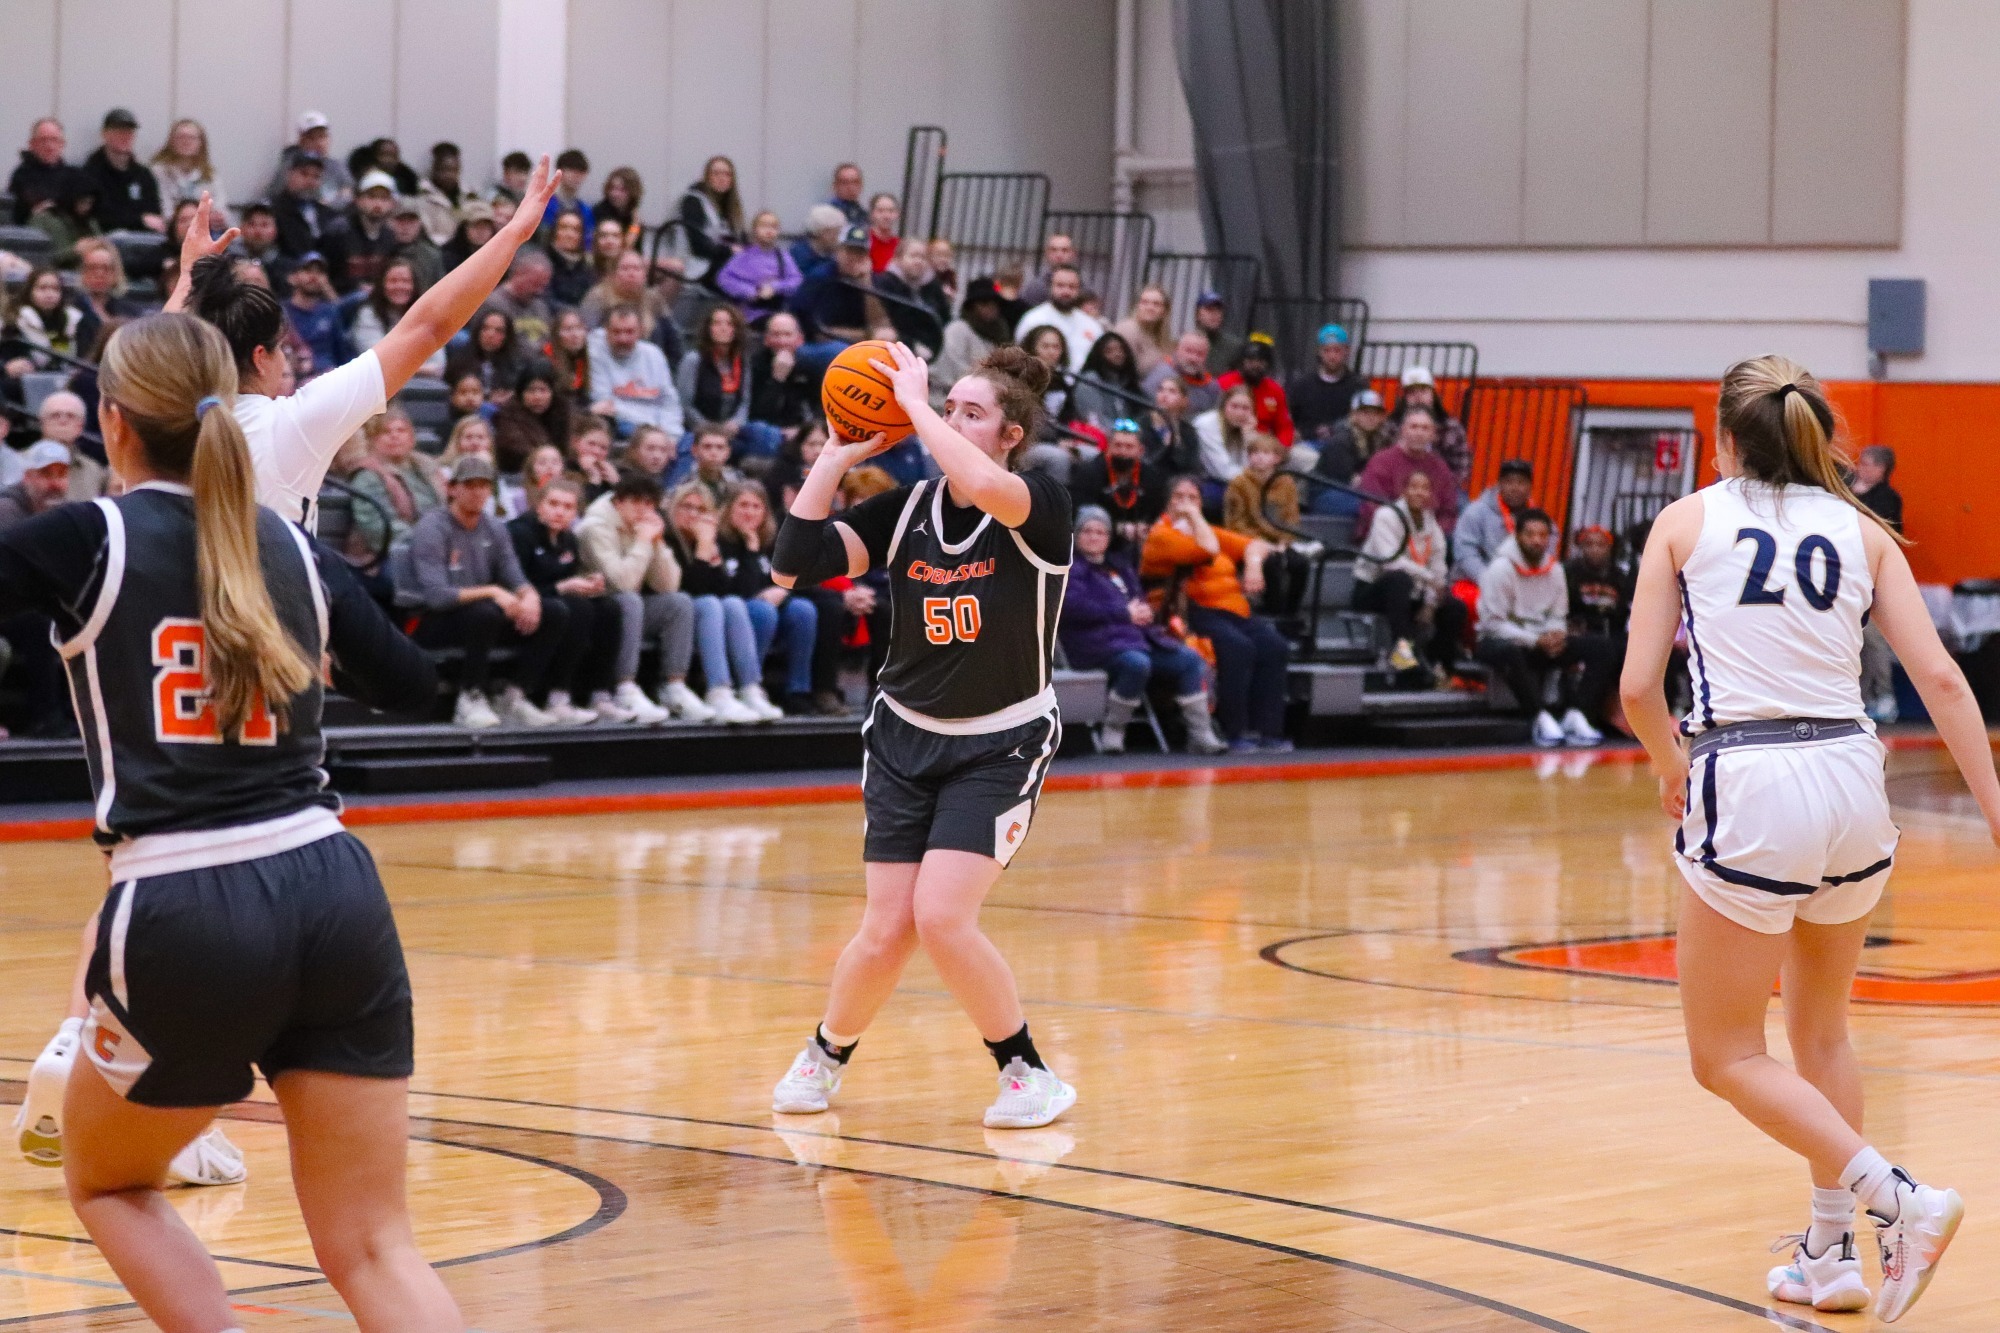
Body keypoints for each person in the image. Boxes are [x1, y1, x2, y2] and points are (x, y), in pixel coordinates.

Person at [0, 312, 458, 1330]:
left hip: (184, 899)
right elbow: (422, 685)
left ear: (112, 426)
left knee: (110, 1185)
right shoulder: (293, 547)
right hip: (335, 887)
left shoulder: (83, 540)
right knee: (376, 1244)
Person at [1619, 355, 1995, 1324]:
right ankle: (1829, 1255)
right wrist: (1993, 803)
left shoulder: (1683, 520)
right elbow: (1944, 682)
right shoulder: (1861, 527)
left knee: (1723, 1054)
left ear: (1721, 435)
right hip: (1851, 779)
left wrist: (1668, 764)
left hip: (1747, 779)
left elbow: (1631, 689)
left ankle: (1897, 1201)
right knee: (1819, 1029)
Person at [767, 342, 1078, 1129]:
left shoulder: (1038, 503)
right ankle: (825, 1053)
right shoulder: (906, 510)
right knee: (886, 929)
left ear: (1010, 434)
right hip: (903, 738)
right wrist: (834, 456)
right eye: (949, 409)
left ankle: (1028, 1073)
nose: (949, 421)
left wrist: (909, 407)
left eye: (970, 412)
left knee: (942, 915)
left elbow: (977, 483)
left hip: (1001, 741)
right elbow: (790, 563)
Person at [402, 455, 570, 729]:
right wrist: (492, 591)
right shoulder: (432, 528)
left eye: (483, 485)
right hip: (429, 621)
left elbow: (513, 574)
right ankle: (470, 697)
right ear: (452, 489)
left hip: (479, 617)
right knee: (485, 612)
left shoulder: (494, 527)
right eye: (470, 485)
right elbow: (437, 597)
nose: (477, 491)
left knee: (555, 611)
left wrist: (530, 597)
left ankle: (515, 695)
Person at [1142, 476, 1289, 751]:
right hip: (1188, 610)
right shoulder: (1162, 534)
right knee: (1237, 648)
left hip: (1233, 609)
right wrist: (1196, 518)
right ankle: (1233, 732)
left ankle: (1269, 731)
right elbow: (1207, 549)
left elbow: (1256, 545)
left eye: (1193, 498)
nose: (1186, 504)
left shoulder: (1206, 529)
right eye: (1179, 497)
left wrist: (1254, 565)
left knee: (1274, 646)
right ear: (1167, 502)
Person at [1061, 505, 1222, 755]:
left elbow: (1139, 601)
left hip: (1135, 640)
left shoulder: (1121, 568)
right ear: (1075, 535)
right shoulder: (1069, 569)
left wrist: (1145, 612)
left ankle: (1201, 735)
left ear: (1108, 537)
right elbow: (1072, 608)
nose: (1094, 537)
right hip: (1093, 645)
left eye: (1100, 532)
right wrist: (1125, 614)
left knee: (1190, 659)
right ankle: (1113, 732)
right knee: (1136, 664)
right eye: (1087, 531)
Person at [575, 471, 710, 724]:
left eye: (649, 504)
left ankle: (674, 686)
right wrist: (644, 540)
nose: (644, 511)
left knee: (679, 603)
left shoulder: (644, 528)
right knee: (629, 600)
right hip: (596, 611)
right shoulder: (594, 527)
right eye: (637, 502)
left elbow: (669, 585)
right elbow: (621, 583)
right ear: (619, 501)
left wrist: (656, 543)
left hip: (628, 610)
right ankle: (625, 687)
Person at [1475, 508, 1612, 747]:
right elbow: (1493, 624)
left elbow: (1558, 614)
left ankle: (1577, 714)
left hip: (1542, 640)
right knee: (1508, 651)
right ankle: (1538, 717)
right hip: (1499, 641)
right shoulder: (1500, 569)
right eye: (1530, 534)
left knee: (1602, 647)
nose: (1537, 540)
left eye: (1543, 535)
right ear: (1517, 536)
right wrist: (1534, 640)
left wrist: (1556, 633)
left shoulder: (1555, 569)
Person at [663, 481, 778, 724]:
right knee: (711, 604)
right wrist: (705, 548)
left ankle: (749, 688)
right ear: (673, 508)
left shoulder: (708, 539)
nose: (693, 514)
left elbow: (724, 589)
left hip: (703, 611)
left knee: (732, 604)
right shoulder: (665, 536)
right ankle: (719, 691)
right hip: (674, 612)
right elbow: (688, 589)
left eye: (701, 510)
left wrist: (712, 549)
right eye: (686, 507)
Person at [500, 478, 608, 726]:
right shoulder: (519, 534)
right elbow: (512, 586)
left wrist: (588, 584)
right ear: (539, 505)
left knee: (607, 608)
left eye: (568, 507)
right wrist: (562, 587)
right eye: (553, 504)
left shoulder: (568, 540)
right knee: (565, 609)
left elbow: (564, 581)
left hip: (551, 609)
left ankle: (592, 694)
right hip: (513, 610)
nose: (560, 511)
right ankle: (517, 694)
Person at [1354, 470, 1463, 678]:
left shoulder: (1432, 523)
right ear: (1403, 490)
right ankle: (1404, 660)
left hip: (1416, 592)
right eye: (1413, 487)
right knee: (1399, 579)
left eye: (1425, 488)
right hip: (1373, 589)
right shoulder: (1387, 515)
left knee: (1456, 608)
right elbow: (1390, 561)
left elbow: (1439, 566)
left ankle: (1435, 662)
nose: (1419, 492)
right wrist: (1429, 579)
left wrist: (1430, 604)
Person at [1222, 433, 1311, 619]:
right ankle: (1273, 612)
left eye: (1265, 452)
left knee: (1301, 564)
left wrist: (1283, 542)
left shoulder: (1287, 483)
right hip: (1249, 543)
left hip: (1279, 541)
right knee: (1271, 563)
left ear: (1277, 458)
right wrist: (1262, 542)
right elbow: (1235, 523)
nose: (1259, 456)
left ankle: (1291, 613)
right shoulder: (1239, 483)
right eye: (1254, 453)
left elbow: (1291, 519)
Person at [1849, 446, 1903, 722]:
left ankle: (1884, 696)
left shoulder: (1887, 498)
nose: (1862, 468)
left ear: (1882, 469)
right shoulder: (1846, 489)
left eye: (1869, 464)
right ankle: (1861, 697)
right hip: (1846, 576)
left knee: (1873, 640)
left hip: (1873, 578)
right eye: (1861, 463)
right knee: (1852, 641)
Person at [345, 407, 444, 554]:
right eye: (386, 432)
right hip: (388, 556)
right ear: (374, 440)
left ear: (411, 438)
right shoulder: (367, 475)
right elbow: (377, 527)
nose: (394, 436)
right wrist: (426, 539)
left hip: (434, 547)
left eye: (401, 431)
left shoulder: (427, 470)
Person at [1355, 410, 1463, 534]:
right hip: (1387, 534)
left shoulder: (1440, 467)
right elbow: (1372, 508)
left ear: (1433, 435)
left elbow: (1449, 511)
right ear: (1403, 431)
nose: (1419, 433)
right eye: (1414, 427)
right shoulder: (1381, 461)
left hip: (1429, 537)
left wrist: (1431, 533)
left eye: (1425, 428)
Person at [1070, 419, 1167, 551]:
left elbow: (1159, 512)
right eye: (1118, 445)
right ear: (1108, 447)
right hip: (1099, 541)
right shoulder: (1089, 473)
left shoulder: (1152, 477)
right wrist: (1119, 528)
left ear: (1140, 450)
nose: (1123, 452)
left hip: (1141, 543)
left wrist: (1146, 528)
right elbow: (1079, 511)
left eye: (1129, 447)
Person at [589, 304, 681, 440]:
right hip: (622, 426)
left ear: (640, 331)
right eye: (617, 332)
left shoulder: (654, 354)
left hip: (660, 428)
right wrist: (652, 430)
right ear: (606, 331)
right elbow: (603, 403)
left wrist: (671, 436)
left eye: (629, 332)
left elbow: (669, 402)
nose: (623, 339)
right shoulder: (594, 353)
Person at [348, 259, 444, 379]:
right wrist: (421, 369)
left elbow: (438, 367)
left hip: (423, 386)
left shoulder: (426, 315)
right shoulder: (368, 315)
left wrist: (402, 368)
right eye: (393, 281)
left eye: (406, 281)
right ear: (382, 284)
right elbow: (378, 362)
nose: (399, 286)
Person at [79, 109, 163, 235]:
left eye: (129, 132)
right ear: (104, 134)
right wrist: (139, 219)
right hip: (104, 240)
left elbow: (154, 214)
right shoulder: (89, 174)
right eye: (119, 132)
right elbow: (96, 215)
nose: (125, 136)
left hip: (143, 241)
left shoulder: (143, 175)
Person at [1453, 458, 1536, 586]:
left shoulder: (1538, 520)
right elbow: (1465, 552)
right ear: (1499, 484)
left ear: (1530, 487)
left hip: (1522, 584)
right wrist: (1488, 580)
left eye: (1521, 483)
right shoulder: (1476, 512)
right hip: (1476, 581)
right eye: (1509, 482)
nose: (1515, 488)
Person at [1013, 265, 1101, 375]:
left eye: (1072, 286)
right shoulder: (1033, 319)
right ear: (1050, 287)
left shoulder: (1092, 325)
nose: (1066, 291)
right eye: (1060, 285)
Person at [717, 209, 803, 320]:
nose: (769, 231)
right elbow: (723, 278)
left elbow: (796, 279)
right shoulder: (744, 256)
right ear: (754, 230)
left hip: (777, 310)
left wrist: (775, 287)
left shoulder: (783, 256)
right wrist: (751, 291)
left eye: (773, 227)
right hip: (751, 314)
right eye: (764, 226)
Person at [281, 253, 360, 373]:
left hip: (329, 377)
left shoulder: (330, 312)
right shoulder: (281, 312)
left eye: (320, 272)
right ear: (292, 277)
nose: (314, 277)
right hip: (295, 376)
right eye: (307, 271)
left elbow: (342, 353)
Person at [1393, 366, 1471, 487]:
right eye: (1412, 393)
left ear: (1433, 394)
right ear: (1405, 398)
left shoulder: (1451, 427)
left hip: (1442, 486)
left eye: (1423, 391)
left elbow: (1462, 467)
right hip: (1398, 486)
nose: (1418, 397)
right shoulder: (1391, 426)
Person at [1287, 324, 1367, 442]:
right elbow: (1288, 418)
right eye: (1327, 350)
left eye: (1337, 350)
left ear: (1347, 351)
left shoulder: (1358, 385)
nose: (1332, 356)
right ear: (1319, 352)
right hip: (1306, 445)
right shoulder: (1301, 384)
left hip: (1343, 444)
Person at [932, 276, 1009, 398]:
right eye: (984, 303)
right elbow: (953, 368)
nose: (991, 307)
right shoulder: (958, 329)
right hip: (946, 398)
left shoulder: (999, 333)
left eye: (995, 303)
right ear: (972, 306)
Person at [747, 312, 815, 445]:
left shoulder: (810, 365)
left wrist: (801, 429)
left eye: (787, 335)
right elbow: (756, 414)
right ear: (766, 340)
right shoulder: (754, 365)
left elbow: (816, 407)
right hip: (764, 431)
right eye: (776, 335)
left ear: (800, 339)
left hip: (799, 430)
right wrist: (777, 379)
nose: (782, 341)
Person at [1216, 334, 1294, 446]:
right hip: (1230, 438)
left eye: (1261, 362)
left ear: (1268, 364)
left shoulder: (1275, 390)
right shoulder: (1225, 382)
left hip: (1265, 444)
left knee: (1308, 458)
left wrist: (1281, 449)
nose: (1255, 365)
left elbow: (1284, 427)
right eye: (1251, 361)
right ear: (1242, 362)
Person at [267, 111, 356, 208]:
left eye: (322, 137)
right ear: (301, 140)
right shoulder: (289, 165)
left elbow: (349, 192)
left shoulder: (336, 166)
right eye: (312, 138)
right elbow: (274, 196)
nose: (319, 143)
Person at [678, 155, 745, 283]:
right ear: (707, 177)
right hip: (698, 266)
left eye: (727, 174)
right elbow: (698, 245)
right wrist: (730, 250)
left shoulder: (731, 208)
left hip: (723, 262)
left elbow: (741, 239)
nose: (722, 178)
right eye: (716, 173)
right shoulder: (693, 201)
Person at [491, 362, 567, 473]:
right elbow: (516, 450)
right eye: (531, 390)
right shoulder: (508, 417)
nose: (537, 397)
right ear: (521, 393)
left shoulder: (562, 412)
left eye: (543, 390)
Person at [37, 392, 108, 500]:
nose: (63, 421)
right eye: (55, 415)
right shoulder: (22, 464)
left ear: (81, 425)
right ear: (42, 423)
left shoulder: (94, 471)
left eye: (71, 416)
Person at [1068, 332, 1145, 429]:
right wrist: (1125, 431)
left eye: (1121, 350)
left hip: (1126, 439)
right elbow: (1095, 422)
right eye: (1109, 351)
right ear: (1099, 355)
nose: (1117, 354)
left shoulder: (1126, 380)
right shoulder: (1089, 381)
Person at [29, 169, 104, 269]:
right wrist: (74, 252)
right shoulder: (44, 220)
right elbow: (36, 258)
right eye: (82, 202)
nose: (86, 207)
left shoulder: (90, 223)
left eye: (89, 203)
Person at [486, 247, 556, 353]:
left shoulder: (540, 306)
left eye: (543, 286)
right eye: (535, 284)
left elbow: (548, 341)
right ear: (518, 274)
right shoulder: (494, 304)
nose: (539, 291)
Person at [446, 307, 522, 404]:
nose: (490, 334)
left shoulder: (516, 364)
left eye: (498, 330)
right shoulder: (459, 361)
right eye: (485, 328)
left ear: (507, 336)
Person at [1142, 329, 1219, 417]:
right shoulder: (1161, 373)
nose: (1193, 358)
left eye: (1200, 354)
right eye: (1188, 351)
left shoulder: (1212, 387)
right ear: (1177, 350)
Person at [1193, 383, 1259, 484]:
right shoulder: (1207, 424)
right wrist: (1256, 479)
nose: (1239, 413)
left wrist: (1247, 437)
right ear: (1224, 406)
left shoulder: (1244, 429)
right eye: (1234, 406)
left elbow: (1249, 465)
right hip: (1203, 479)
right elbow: (1223, 471)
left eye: (1245, 408)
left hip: (1232, 480)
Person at [9, 117, 70, 224]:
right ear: (32, 144)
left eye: (54, 140)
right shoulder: (22, 176)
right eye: (43, 140)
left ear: (62, 144)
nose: (49, 146)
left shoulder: (73, 176)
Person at [1112, 285, 1173, 379]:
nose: (1150, 308)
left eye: (1156, 304)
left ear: (1164, 311)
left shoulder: (1161, 338)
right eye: (1144, 302)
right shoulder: (1128, 329)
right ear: (1138, 306)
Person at [387, 196, 444, 291]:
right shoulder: (381, 250)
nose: (405, 227)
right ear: (390, 222)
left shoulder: (432, 255)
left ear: (420, 223)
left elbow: (440, 289)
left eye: (411, 221)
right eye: (400, 220)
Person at [544, 210, 594, 308]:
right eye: (564, 228)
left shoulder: (587, 268)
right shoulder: (543, 262)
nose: (569, 234)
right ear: (554, 231)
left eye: (576, 230)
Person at [541, 148, 595, 233]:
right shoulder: (545, 205)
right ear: (559, 171)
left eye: (581, 172)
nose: (576, 176)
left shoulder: (585, 210)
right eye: (572, 171)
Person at [1018, 233, 1077, 308]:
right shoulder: (1035, 288)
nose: (1059, 255)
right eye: (1054, 250)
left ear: (1073, 253)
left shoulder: (1084, 287)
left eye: (1064, 250)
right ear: (1047, 253)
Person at [791, 202, 848, 277]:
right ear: (820, 232)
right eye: (835, 232)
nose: (837, 237)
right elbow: (804, 279)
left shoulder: (833, 252)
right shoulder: (799, 252)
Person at [1193, 291, 1242, 374]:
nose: (1214, 314)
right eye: (1209, 309)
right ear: (1198, 314)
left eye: (1218, 310)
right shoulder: (1188, 343)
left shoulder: (1234, 347)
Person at [595, 165, 644, 238]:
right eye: (612, 188)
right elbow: (624, 245)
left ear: (632, 192)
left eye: (622, 190)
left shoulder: (631, 212)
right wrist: (635, 225)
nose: (615, 194)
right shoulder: (600, 212)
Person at [864, 193, 901, 273]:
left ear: (897, 214)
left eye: (891, 211)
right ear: (872, 214)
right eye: (880, 211)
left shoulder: (900, 246)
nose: (886, 216)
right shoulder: (863, 241)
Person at [828, 162, 867, 227]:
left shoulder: (863, 214)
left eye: (855, 182)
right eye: (845, 182)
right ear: (835, 185)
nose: (851, 187)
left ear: (861, 185)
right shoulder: (828, 213)